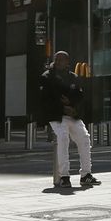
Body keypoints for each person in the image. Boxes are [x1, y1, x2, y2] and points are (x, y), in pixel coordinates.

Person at [39, 51, 98, 189]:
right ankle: (64, 176)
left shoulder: (73, 77)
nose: (60, 62)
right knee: (63, 138)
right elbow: (45, 101)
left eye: (63, 60)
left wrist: (73, 108)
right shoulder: (47, 77)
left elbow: (80, 97)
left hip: (73, 114)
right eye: (57, 60)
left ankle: (86, 175)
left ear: (67, 62)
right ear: (54, 60)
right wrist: (63, 107)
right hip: (57, 116)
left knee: (84, 137)